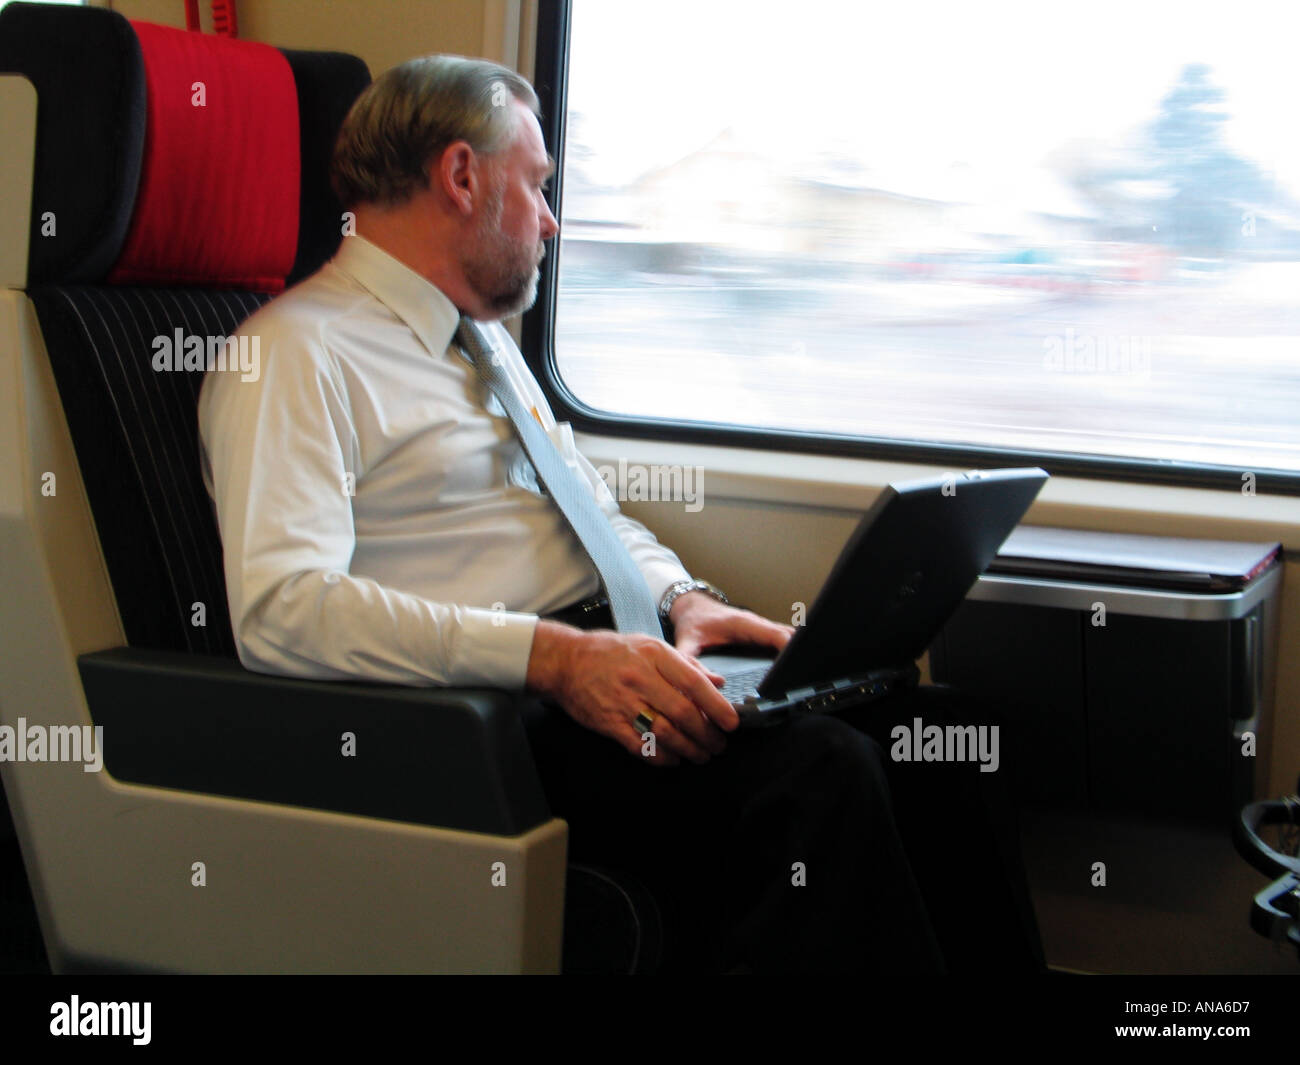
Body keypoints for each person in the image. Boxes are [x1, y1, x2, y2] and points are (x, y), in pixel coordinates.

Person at [199, 53, 1044, 973]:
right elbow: (281, 608)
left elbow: (587, 512)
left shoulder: (482, 344)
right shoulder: (294, 354)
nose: (551, 222)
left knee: (946, 730)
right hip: (491, 728)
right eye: (539, 185)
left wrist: (685, 597)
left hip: (617, 664)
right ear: (461, 176)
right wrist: (555, 658)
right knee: (820, 775)